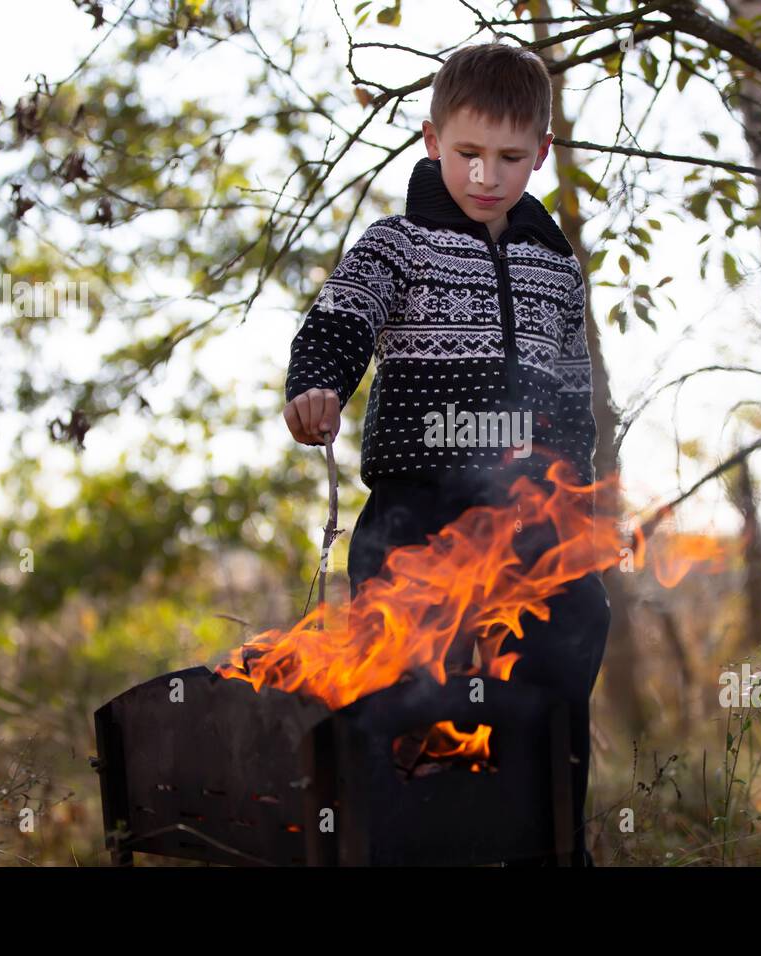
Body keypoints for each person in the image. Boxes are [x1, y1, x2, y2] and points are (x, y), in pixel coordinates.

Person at [281, 42, 610, 867]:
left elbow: (572, 391)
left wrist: (579, 497)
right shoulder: (400, 244)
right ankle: (405, 844)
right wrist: (317, 385)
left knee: (570, 635)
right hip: (418, 506)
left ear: (540, 153)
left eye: (508, 158)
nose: (486, 176)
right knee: (407, 689)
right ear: (433, 142)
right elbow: (340, 318)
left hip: (527, 514)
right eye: (468, 154)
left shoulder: (555, 267)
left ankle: (549, 841)